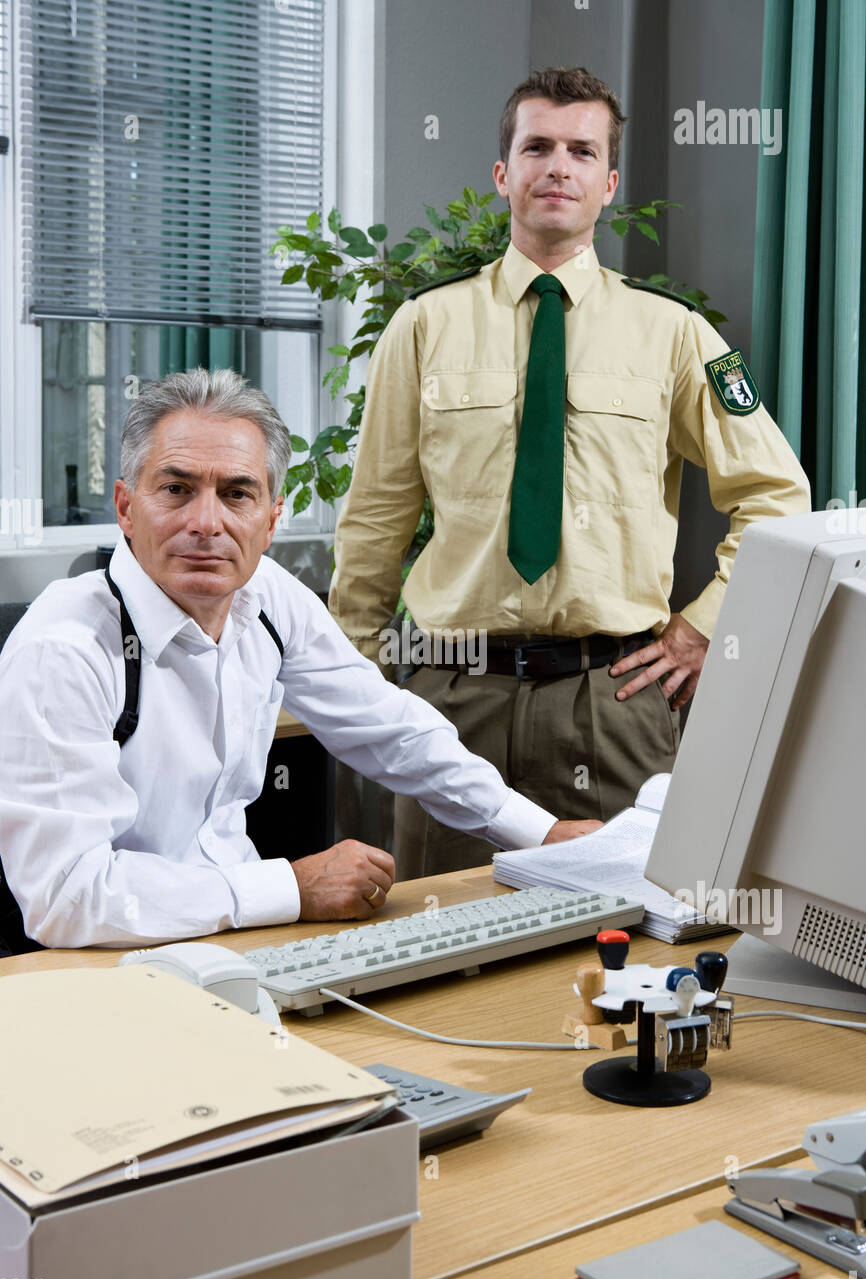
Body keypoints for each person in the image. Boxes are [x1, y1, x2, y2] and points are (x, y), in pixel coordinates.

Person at [328, 65, 811, 878]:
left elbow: (777, 498)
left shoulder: (676, 335)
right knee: (440, 950)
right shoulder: (421, 328)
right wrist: (360, 685)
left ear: (609, 182)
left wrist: (702, 629)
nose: (559, 166)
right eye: (538, 146)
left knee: (634, 941)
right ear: (502, 173)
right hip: (455, 699)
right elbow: (374, 519)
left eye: (582, 151)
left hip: (613, 702)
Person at [0, 369, 603, 953]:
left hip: (241, 940)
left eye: (237, 494)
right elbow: (66, 896)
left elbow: (388, 726)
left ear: (271, 520)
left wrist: (541, 833)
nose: (206, 523)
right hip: (101, 961)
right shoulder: (64, 647)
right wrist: (290, 885)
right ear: (127, 509)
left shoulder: (268, 597)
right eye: (177, 489)